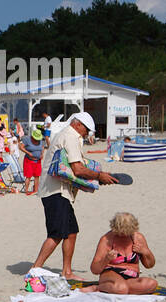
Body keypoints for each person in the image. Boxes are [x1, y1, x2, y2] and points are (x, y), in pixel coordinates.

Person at [31, 111, 118, 280]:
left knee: (71, 231)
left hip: (60, 191)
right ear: (78, 124)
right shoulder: (70, 136)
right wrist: (99, 176)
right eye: (87, 130)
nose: (87, 134)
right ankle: (35, 269)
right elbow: (77, 169)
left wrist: (99, 176)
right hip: (55, 191)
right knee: (56, 233)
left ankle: (67, 272)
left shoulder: (66, 134)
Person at [86, 212, 158, 294]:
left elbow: (149, 265)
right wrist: (106, 259)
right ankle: (98, 288)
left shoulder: (138, 238)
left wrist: (145, 252)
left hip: (131, 277)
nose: (124, 235)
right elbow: (94, 269)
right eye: (121, 233)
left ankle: (116, 288)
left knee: (152, 284)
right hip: (111, 273)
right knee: (121, 288)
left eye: (127, 233)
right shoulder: (107, 239)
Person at [17, 125, 44, 195]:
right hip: (28, 160)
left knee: (37, 176)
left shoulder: (40, 140)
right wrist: (28, 153)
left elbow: (42, 147)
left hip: (38, 161)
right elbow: (20, 147)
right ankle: (26, 190)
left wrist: (42, 154)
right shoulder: (27, 139)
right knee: (28, 176)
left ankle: (36, 190)